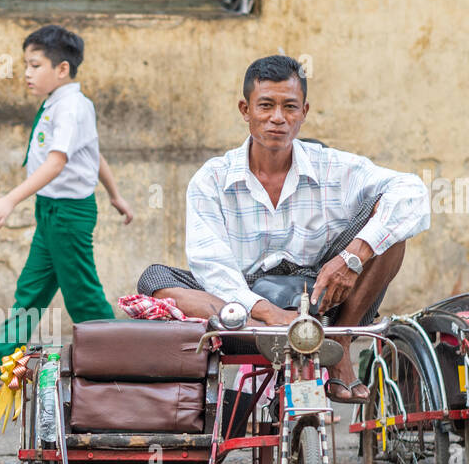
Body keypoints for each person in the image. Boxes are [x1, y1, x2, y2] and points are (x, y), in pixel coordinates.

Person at [138, 55, 429, 402]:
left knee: (389, 230)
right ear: (245, 110)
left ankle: (338, 346)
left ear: (304, 112)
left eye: (289, 106)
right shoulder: (211, 179)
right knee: (154, 281)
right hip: (244, 306)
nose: (278, 118)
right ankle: (272, 333)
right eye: (266, 106)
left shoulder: (332, 166)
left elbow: (413, 193)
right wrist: (266, 312)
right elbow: (211, 265)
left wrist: (352, 258)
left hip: (324, 294)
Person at [0, 24, 133, 398]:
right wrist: (115, 194)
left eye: (35, 65)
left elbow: (58, 161)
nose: (27, 73)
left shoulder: (72, 106)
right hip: (52, 211)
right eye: (25, 65)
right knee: (29, 293)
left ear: (61, 69)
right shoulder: (61, 103)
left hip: (68, 214)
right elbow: (93, 153)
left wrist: (10, 200)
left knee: (83, 296)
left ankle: (123, 371)